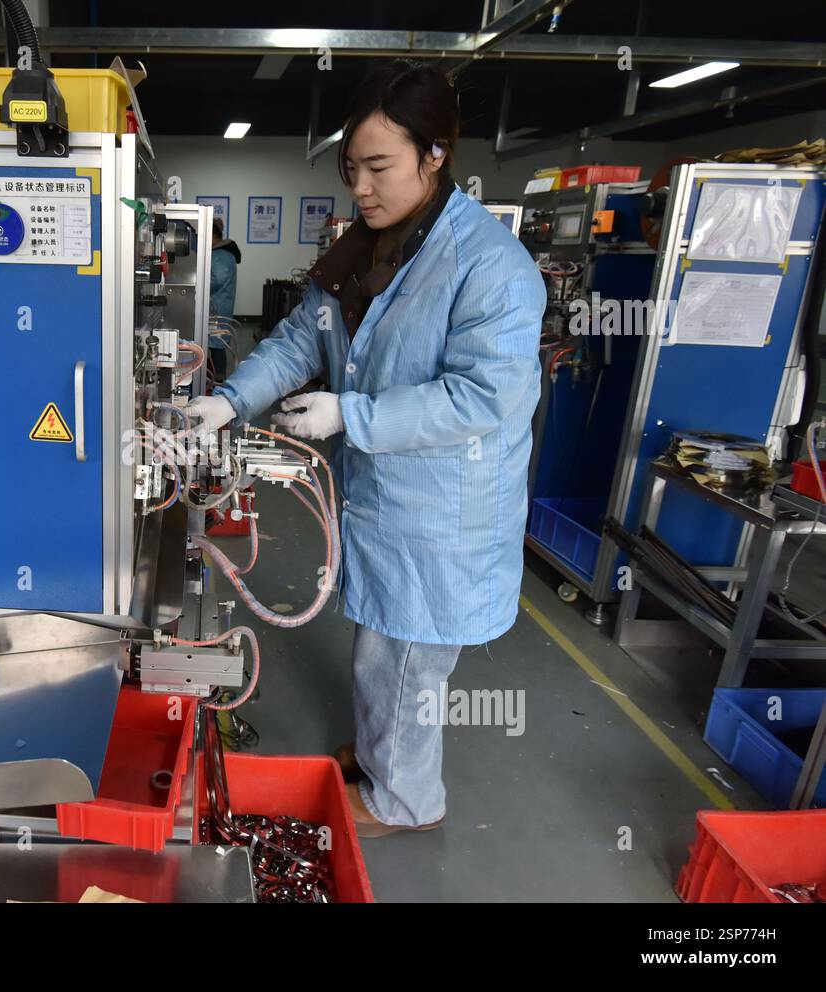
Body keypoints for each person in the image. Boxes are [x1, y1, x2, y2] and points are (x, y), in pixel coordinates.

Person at [185, 62, 544, 837]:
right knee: (381, 645)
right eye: (353, 169)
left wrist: (351, 414)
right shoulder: (369, 248)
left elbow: (484, 398)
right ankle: (384, 755)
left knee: (409, 658)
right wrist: (227, 399)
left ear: (437, 153)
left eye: (379, 167)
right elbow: (296, 340)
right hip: (387, 497)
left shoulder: (490, 267)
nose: (362, 188)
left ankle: (403, 800)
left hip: (444, 512)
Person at [208, 217, 240, 379]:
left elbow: (216, 280)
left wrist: (199, 287)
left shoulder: (221, 255)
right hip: (218, 306)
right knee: (215, 344)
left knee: (217, 345)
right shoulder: (224, 253)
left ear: (213, 235)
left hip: (216, 308)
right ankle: (215, 378)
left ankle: (218, 381)